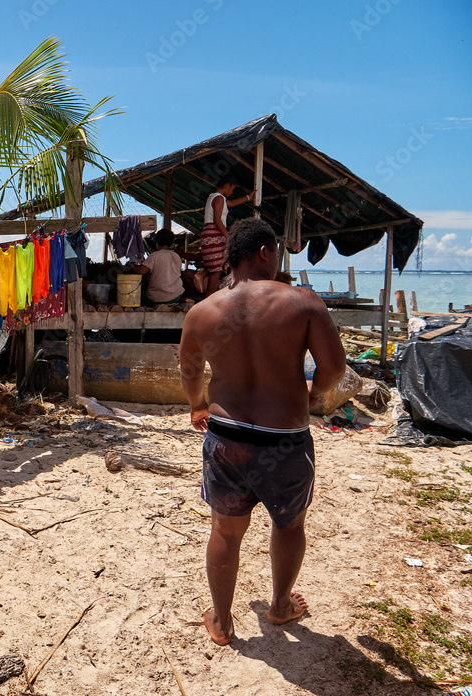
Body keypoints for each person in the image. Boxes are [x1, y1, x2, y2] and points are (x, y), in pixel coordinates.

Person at [179, 218, 346, 646]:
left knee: (224, 532)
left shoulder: (202, 312)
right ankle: (280, 606)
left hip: (227, 437)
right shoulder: (304, 303)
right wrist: (311, 394)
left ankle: (221, 621)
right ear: (266, 252)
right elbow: (333, 370)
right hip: (285, 440)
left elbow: (189, 369)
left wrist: (198, 403)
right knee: (289, 527)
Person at [201, 174, 256, 297]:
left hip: (210, 234)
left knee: (215, 266)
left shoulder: (215, 197)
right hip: (215, 234)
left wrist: (248, 197)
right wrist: (228, 237)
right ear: (227, 185)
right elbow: (217, 220)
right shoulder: (219, 198)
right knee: (214, 275)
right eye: (232, 189)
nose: (231, 192)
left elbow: (230, 203)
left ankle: (200, 275)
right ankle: (206, 305)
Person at [137, 228, 185, 305]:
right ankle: (180, 300)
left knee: (139, 291)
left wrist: (134, 266)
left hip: (156, 298)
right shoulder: (176, 256)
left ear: (157, 241)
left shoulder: (154, 256)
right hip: (176, 296)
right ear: (171, 242)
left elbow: (141, 271)